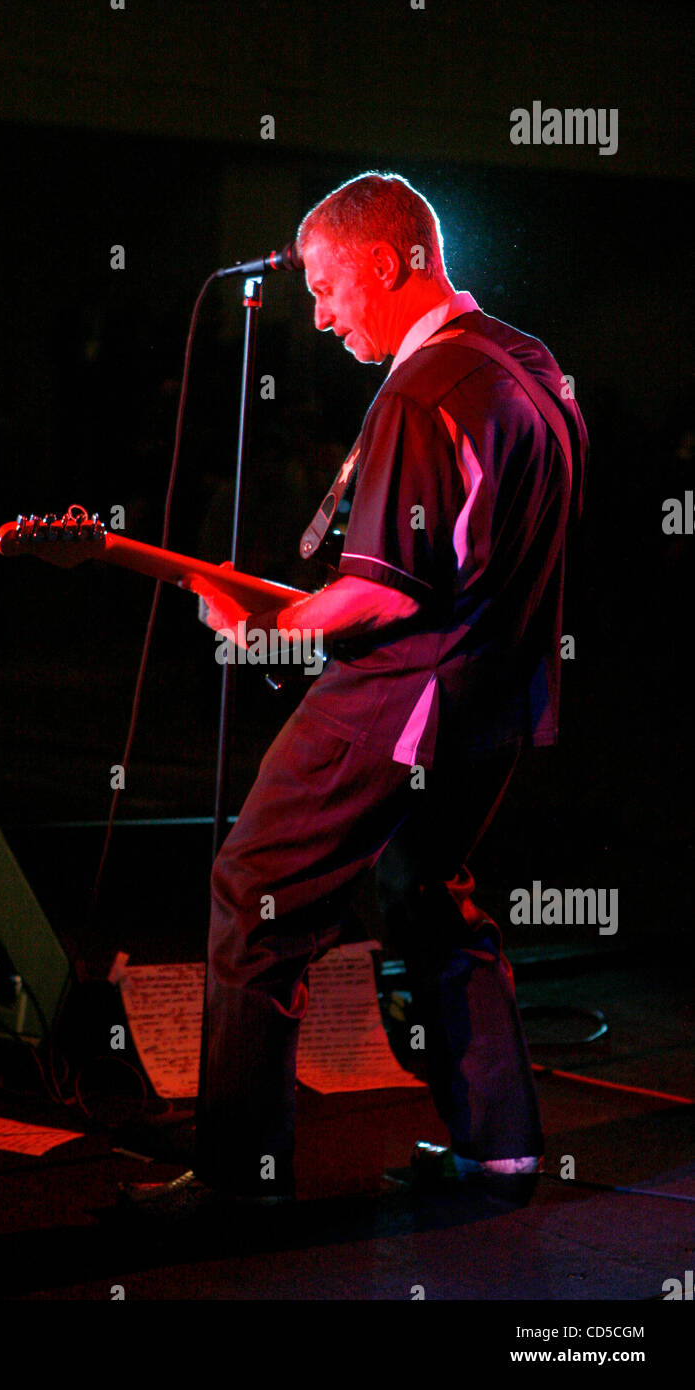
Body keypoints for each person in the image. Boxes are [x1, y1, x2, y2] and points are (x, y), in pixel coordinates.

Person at [183, 171, 587, 1202]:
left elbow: (382, 601)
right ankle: (495, 1145)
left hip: (403, 699)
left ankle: (241, 1176)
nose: (316, 318)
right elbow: (464, 561)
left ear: (382, 261)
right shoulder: (525, 364)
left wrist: (264, 627)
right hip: (494, 705)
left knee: (250, 895)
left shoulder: (421, 392)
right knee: (423, 894)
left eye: (324, 289)